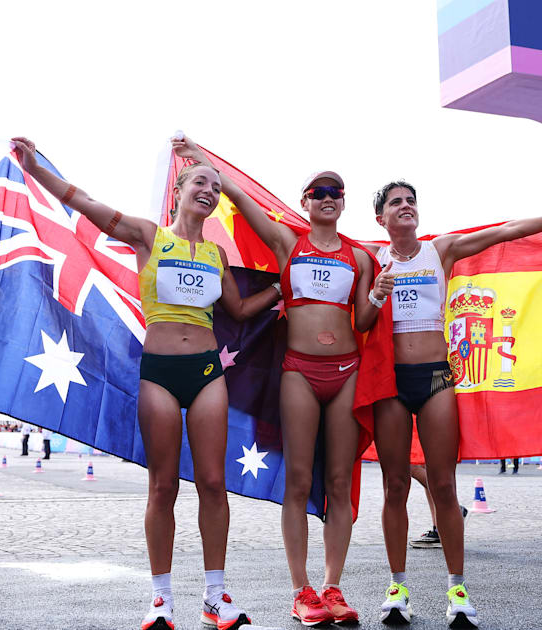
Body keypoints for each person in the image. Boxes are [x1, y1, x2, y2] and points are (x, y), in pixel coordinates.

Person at [11, 135, 281, 630]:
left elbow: (238, 311)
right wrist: (35, 170)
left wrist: (281, 290)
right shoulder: (148, 236)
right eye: (200, 180)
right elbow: (86, 204)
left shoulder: (217, 256)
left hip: (205, 373)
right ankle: (160, 599)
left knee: (213, 483)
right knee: (161, 486)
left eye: (215, 186)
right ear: (178, 192)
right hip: (159, 372)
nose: (209, 189)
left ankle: (215, 596)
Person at [367, 180, 542, 627]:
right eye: (395, 202)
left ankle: (457, 589)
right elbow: (308, 239)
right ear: (381, 218)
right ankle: (397, 587)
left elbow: (505, 232)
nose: (405, 207)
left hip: (436, 379)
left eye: (411, 201)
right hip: (390, 383)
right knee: (394, 486)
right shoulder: (369, 257)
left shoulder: (441, 250)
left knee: (443, 487)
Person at [174, 138, 385, 626]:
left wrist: (375, 294)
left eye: (336, 190)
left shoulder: (360, 257)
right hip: (299, 371)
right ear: (305, 201)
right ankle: (300, 590)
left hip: (347, 372)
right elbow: (240, 199)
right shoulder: (289, 242)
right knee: (297, 479)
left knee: (338, 482)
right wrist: (199, 159)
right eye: (319, 190)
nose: (328, 196)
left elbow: (368, 320)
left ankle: (333, 587)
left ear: (343, 201)